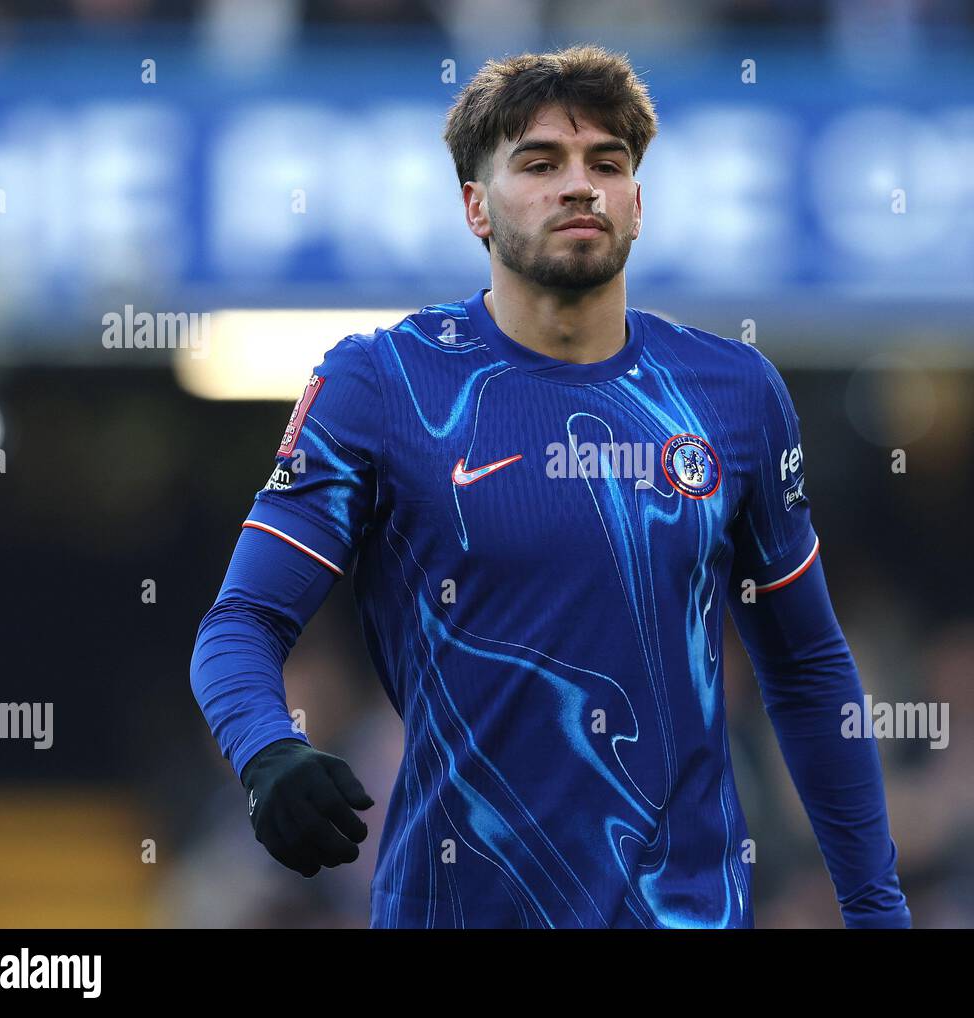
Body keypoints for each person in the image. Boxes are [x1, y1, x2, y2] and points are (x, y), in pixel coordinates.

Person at [190, 43, 910, 929]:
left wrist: (877, 911)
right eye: (540, 163)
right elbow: (241, 623)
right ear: (475, 207)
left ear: (637, 205)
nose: (581, 185)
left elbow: (806, 668)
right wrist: (268, 753)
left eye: (607, 163)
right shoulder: (384, 386)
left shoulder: (735, 395)